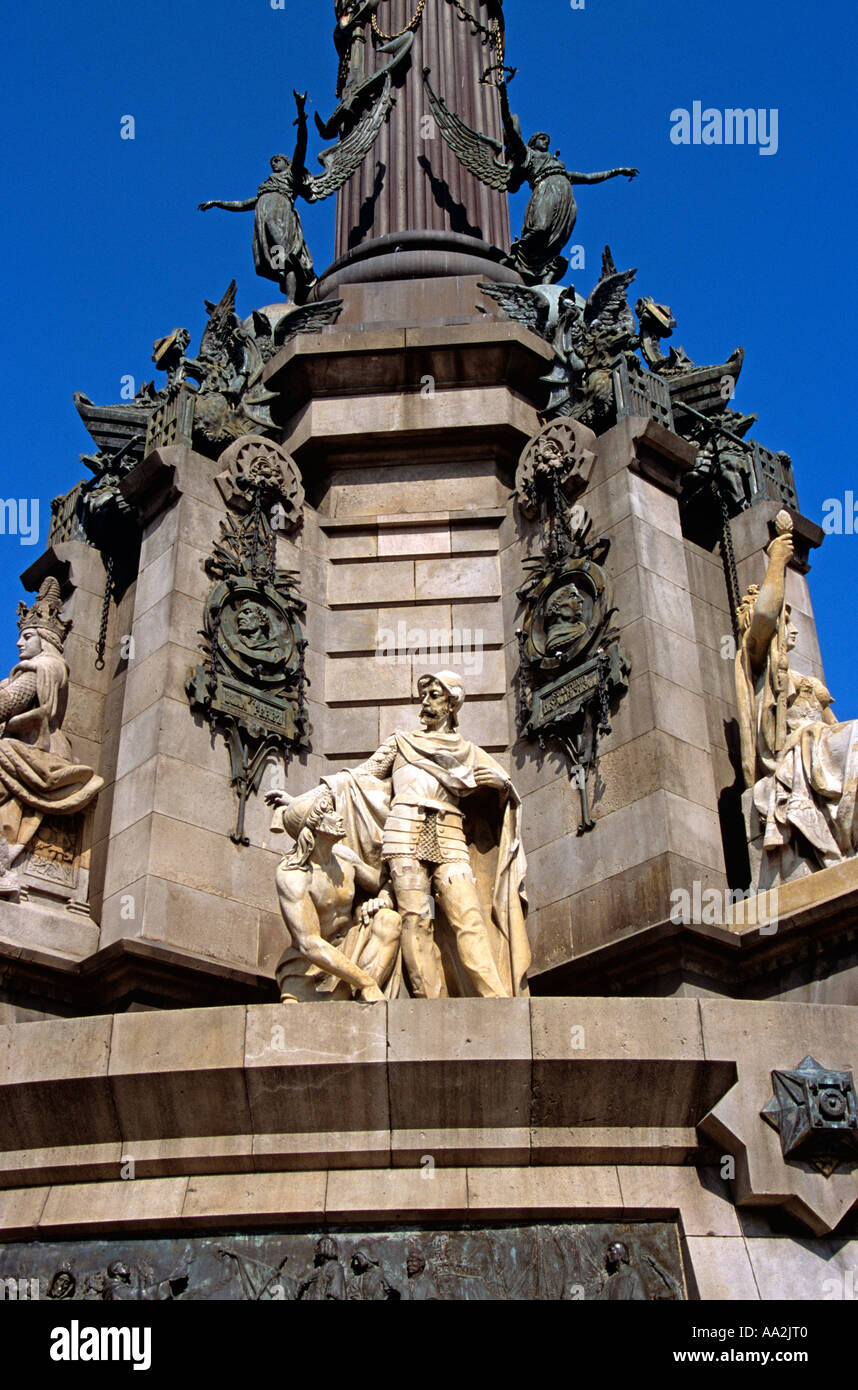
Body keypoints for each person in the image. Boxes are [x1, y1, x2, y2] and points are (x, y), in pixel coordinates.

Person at [347, 671, 529, 999]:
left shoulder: (468, 752)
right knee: (416, 920)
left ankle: (497, 1000)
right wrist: (305, 804)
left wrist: (502, 786)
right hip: (404, 834)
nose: (426, 701)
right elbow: (357, 779)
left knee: (467, 916)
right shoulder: (400, 743)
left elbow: (504, 796)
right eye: (425, 694)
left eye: (434, 695)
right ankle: (429, 1005)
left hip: (449, 835)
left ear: (452, 703)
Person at [736, 511, 858, 878]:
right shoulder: (759, 664)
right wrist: (777, 560)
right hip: (794, 754)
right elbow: (765, 616)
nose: (791, 630)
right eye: (786, 622)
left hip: (819, 749)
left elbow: (835, 728)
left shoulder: (809, 684)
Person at [266, 783, 402, 1002]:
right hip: (309, 965)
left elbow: (384, 881)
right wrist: (365, 981)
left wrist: (384, 898)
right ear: (314, 827)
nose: (338, 817)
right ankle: (359, 992)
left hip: (350, 947)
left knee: (389, 920)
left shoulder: (344, 857)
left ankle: (362, 1002)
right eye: (329, 812)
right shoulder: (293, 876)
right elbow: (309, 944)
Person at [0, 578, 103, 863]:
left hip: (39, 752)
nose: (19, 642)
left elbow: (8, 705)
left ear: (45, 641)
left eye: (28, 636)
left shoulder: (42, 669)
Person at [199, 93, 318, 304]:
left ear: (287, 163)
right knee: (277, 261)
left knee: (287, 257)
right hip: (263, 219)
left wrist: (301, 114)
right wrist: (218, 203)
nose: (274, 163)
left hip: (281, 216)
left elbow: (301, 145)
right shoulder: (266, 189)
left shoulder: (291, 175)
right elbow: (243, 204)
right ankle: (291, 295)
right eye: (272, 161)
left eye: (278, 160)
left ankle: (291, 301)